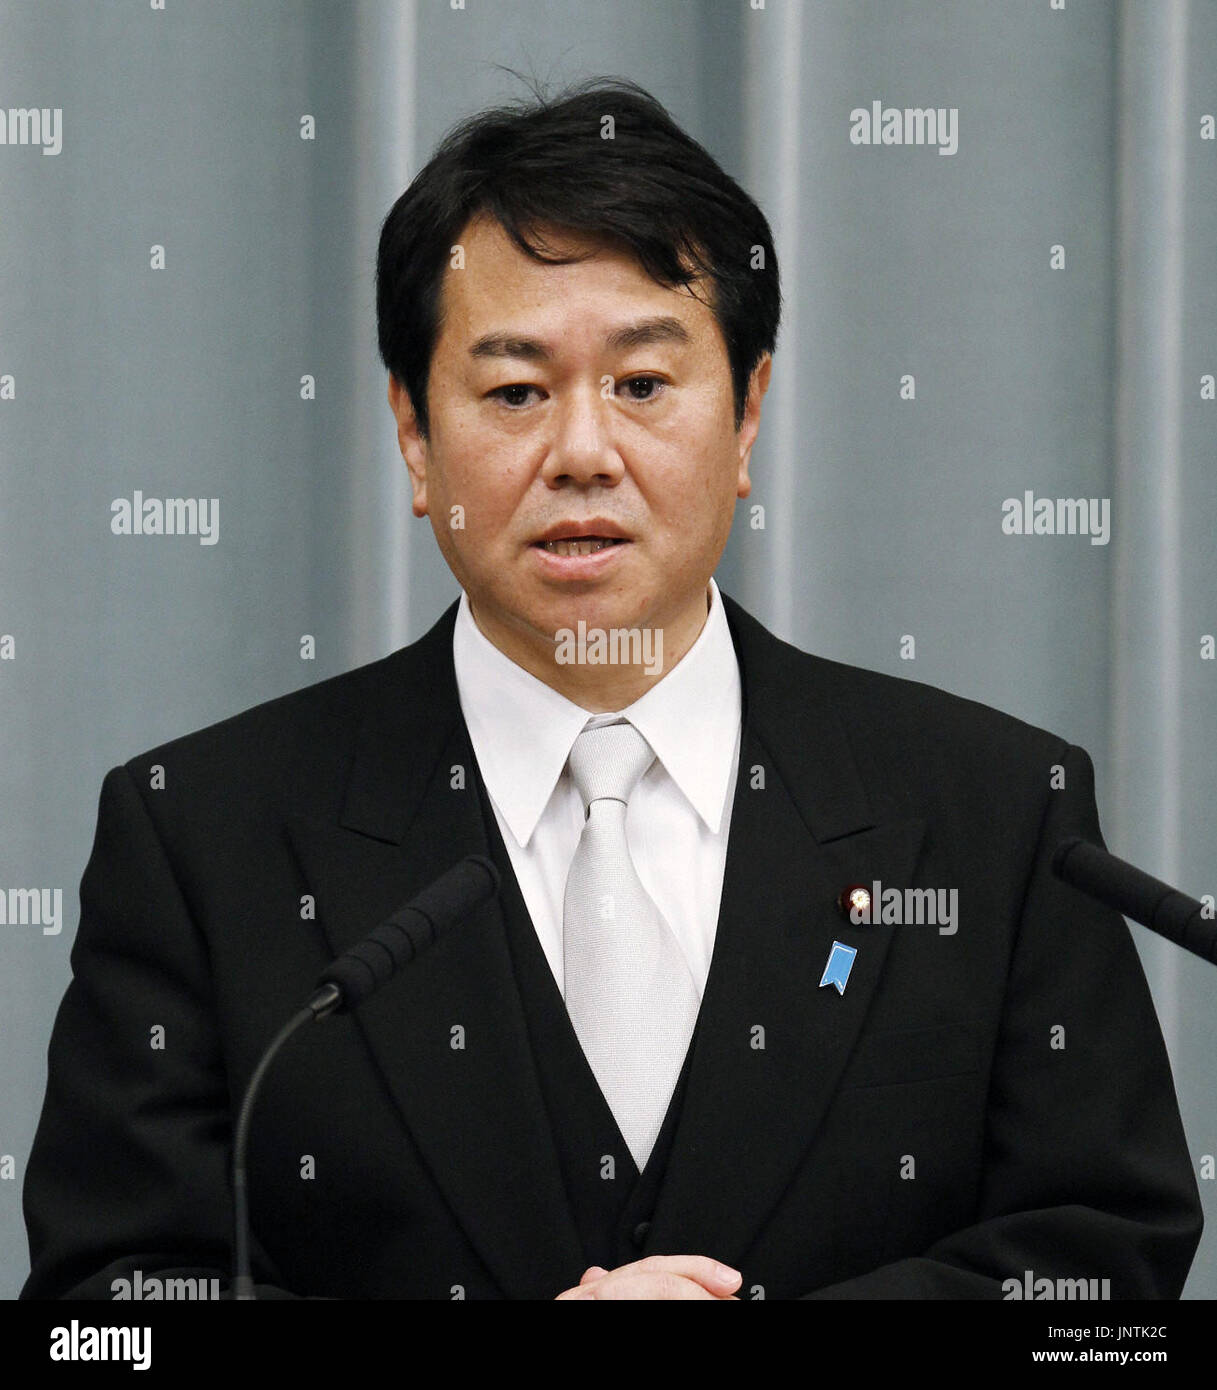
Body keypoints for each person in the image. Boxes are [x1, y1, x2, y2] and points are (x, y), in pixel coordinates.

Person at [22, 77, 1202, 1301]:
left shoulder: (992, 814)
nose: (582, 452)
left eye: (642, 385)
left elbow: (1104, 1265)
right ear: (414, 438)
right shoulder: (202, 833)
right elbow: (104, 1310)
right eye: (514, 392)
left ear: (744, 420)